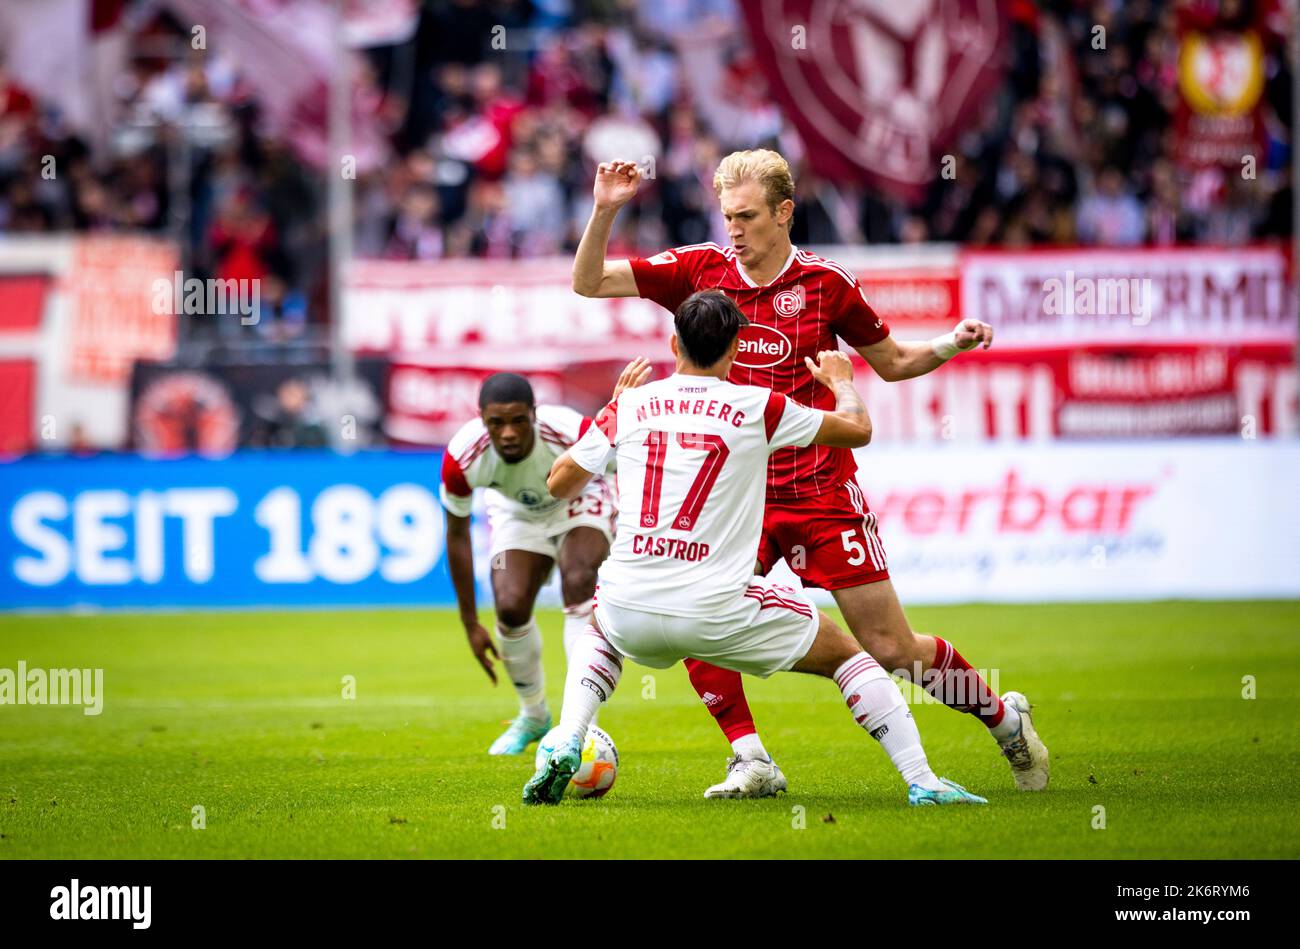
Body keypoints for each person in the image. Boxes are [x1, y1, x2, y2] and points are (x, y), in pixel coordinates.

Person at [571, 149, 1048, 797]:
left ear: (784, 212)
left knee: (890, 649)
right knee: (694, 611)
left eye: (746, 216)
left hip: (821, 490)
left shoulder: (827, 285)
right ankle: (751, 757)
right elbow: (591, 281)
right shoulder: (699, 269)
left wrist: (949, 343)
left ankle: (1001, 716)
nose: (734, 229)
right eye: (727, 215)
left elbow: (895, 361)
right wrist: (603, 211)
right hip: (735, 500)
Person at [523, 290, 986, 807]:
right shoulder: (755, 406)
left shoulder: (629, 405)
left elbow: (558, 483)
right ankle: (923, 780)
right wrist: (841, 384)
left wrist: (612, 410)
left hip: (629, 605)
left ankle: (568, 733)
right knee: (849, 657)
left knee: (600, 627)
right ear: (737, 349)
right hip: (713, 608)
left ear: (673, 343)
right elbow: (857, 431)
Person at [440, 372, 616, 755]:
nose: (507, 433)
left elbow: (631, 467)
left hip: (580, 500)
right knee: (510, 605)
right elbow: (456, 535)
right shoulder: (462, 457)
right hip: (517, 514)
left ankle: (582, 727)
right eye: (496, 423)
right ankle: (534, 716)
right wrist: (470, 623)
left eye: (519, 420)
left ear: (535, 415)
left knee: (580, 578)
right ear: (480, 418)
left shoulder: (572, 430)